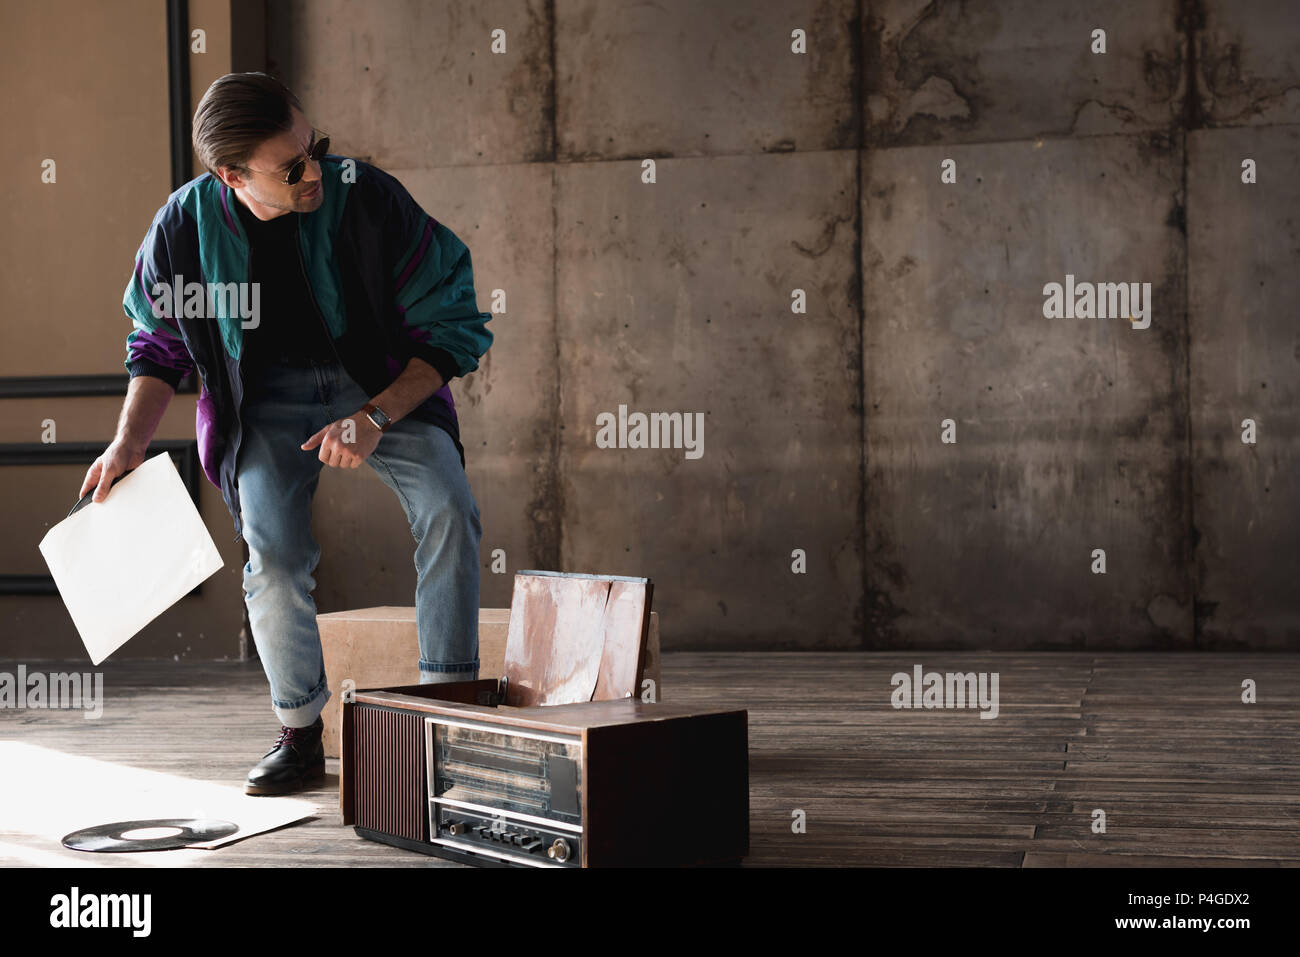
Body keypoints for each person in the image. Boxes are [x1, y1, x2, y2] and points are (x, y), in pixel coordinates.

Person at [79, 72, 493, 796]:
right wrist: (128, 445)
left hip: (379, 382)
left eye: (315, 148)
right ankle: (300, 734)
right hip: (261, 400)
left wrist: (374, 416)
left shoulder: (365, 197)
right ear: (231, 175)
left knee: (449, 509)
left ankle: (447, 718)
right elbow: (157, 347)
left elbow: (455, 324)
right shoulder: (183, 229)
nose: (316, 173)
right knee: (271, 554)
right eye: (292, 167)